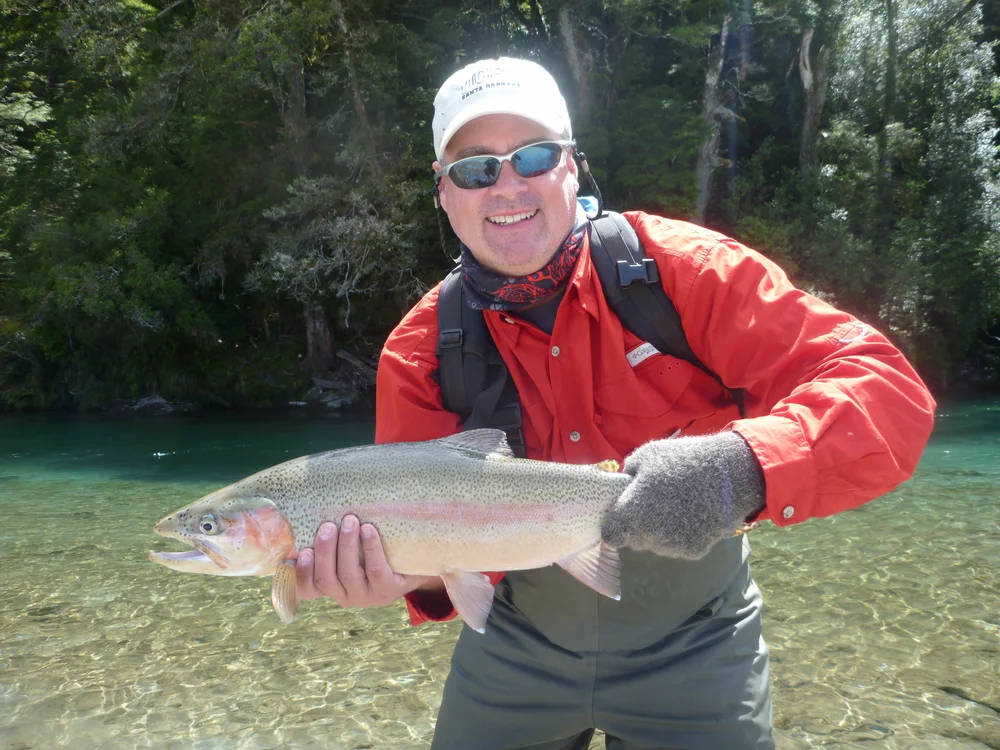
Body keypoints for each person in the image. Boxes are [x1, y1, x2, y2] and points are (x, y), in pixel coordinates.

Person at [294, 57, 936, 749]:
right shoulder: (419, 352)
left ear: (572, 166)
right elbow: (430, 560)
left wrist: (738, 469)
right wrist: (384, 576)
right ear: (444, 193)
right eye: (475, 168)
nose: (506, 185)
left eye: (532, 156)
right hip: (516, 647)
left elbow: (886, 388)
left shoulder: (683, 273)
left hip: (699, 643)